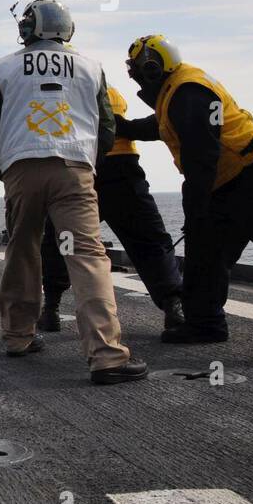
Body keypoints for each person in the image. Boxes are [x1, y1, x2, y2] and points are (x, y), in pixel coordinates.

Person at [0, 0, 147, 385]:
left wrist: (3, 169)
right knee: (86, 256)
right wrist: (89, 163)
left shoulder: (2, 67)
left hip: (21, 168)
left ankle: (18, 337)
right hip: (74, 170)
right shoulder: (91, 67)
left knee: (22, 250)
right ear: (68, 30)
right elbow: (105, 126)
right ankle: (106, 356)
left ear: (27, 29)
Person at [115, 35, 253, 343]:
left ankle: (205, 322)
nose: (134, 77)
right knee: (205, 255)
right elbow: (165, 125)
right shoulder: (179, 89)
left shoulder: (188, 92)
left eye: (136, 70)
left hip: (252, 176)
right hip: (236, 179)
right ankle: (204, 324)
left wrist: (195, 208)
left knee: (205, 248)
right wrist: (124, 127)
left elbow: (202, 157)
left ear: (152, 68)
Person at [38, 84, 184, 333]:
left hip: (80, 169)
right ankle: (174, 307)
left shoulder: (65, 92)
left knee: (61, 241)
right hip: (124, 171)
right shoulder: (112, 91)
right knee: (150, 241)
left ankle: (51, 308)